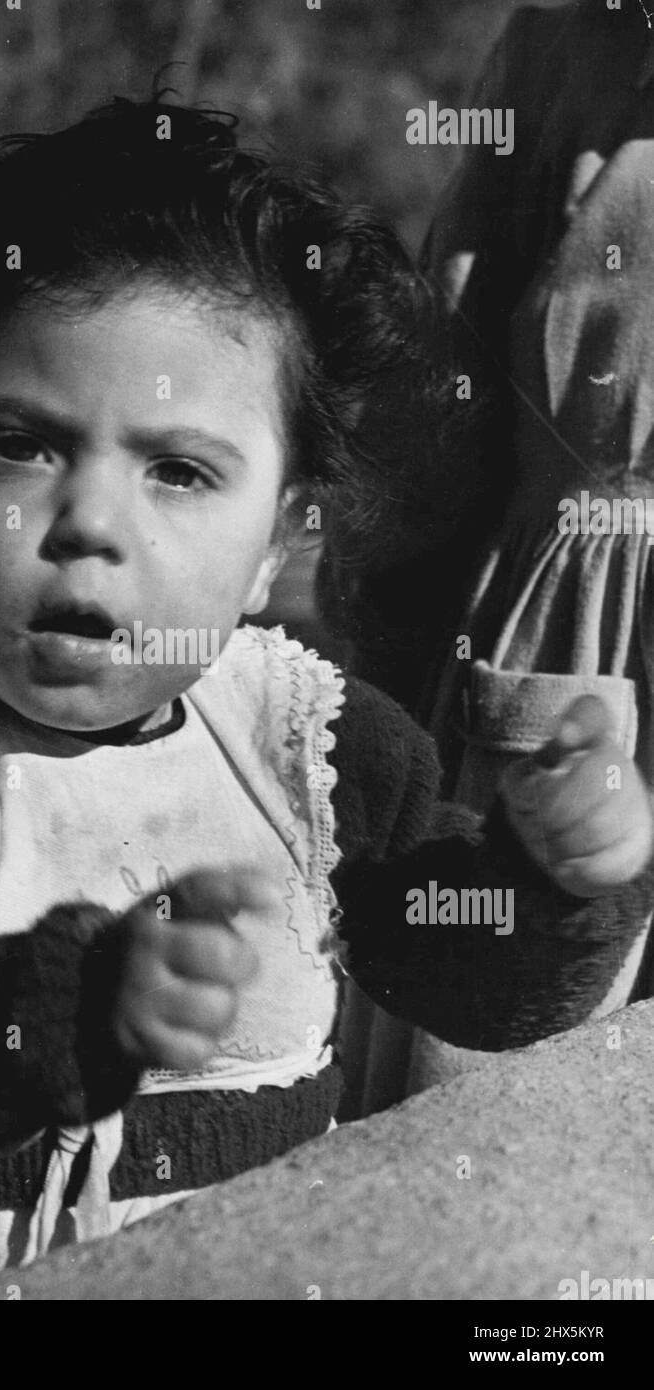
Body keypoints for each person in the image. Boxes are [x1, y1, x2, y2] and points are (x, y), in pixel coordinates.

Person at [0, 96, 654, 1300]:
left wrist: (554, 881)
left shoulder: (312, 748)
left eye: (178, 469)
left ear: (275, 541)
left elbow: (461, 972)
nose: (91, 526)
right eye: (17, 444)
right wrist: (63, 1014)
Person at [341, 0, 654, 1113]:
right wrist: (370, 655)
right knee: (512, 1107)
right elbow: (443, 397)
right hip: (577, 647)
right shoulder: (565, 53)